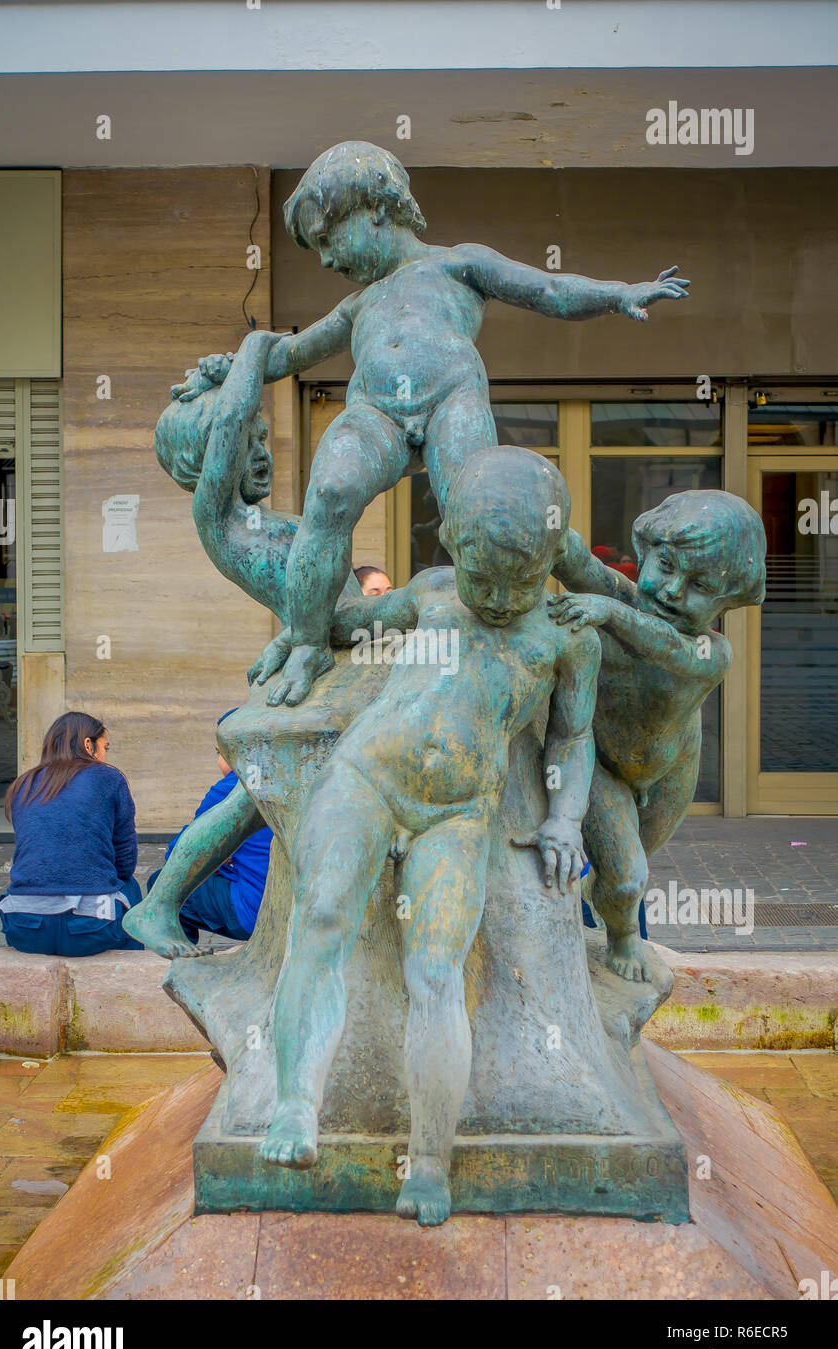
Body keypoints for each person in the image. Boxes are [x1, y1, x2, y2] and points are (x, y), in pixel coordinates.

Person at [177, 140, 688, 707]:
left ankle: (604, 592)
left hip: (452, 400)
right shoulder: (357, 305)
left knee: (489, 511)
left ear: (377, 207)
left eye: (328, 238)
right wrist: (228, 369)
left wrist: (618, 293)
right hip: (375, 412)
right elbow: (288, 356)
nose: (325, 260)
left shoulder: (456, 263)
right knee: (327, 493)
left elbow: (547, 290)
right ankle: (308, 642)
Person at [258, 446, 599, 1228]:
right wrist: (300, 638)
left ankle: (431, 1158)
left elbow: (570, 742)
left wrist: (564, 818)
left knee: (437, 972)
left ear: (552, 558)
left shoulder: (566, 641)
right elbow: (350, 625)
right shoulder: (434, 593)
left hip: (458, 815)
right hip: (367, 777)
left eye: (521, 585)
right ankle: (293, 1108)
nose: (502, 600)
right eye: (485, 581)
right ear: (452, 546)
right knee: (321, 917)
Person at [551, 490, 766, 982]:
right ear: (645, 550)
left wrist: (608, 613)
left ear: (728, 602)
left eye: (699, 586)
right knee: (626, 878)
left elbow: (665, 647)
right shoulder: (620, 595)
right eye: (666, 565)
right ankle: (622, 938)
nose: (671, 590)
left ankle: (615, 925)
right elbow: (576, 560)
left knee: (630, 874)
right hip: (600, 761)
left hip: (668, 775)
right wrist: (546, 532)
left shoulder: (711, 652)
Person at [0, 712, 142, 956]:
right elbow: (125, 861)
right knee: (130, 887)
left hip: (24, 928)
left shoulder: (22, 784)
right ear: (88, 744)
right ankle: (133, 968)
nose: (105, 755)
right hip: (91, 929)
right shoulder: (109, 777)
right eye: (104, 747)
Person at [143, 712, 272, 948]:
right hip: (299, 911)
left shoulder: (230, 788)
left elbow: (179, 854)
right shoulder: (291, 779)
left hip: (254, 913)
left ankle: (179, 961)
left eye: (218, 752)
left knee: (160, 885)